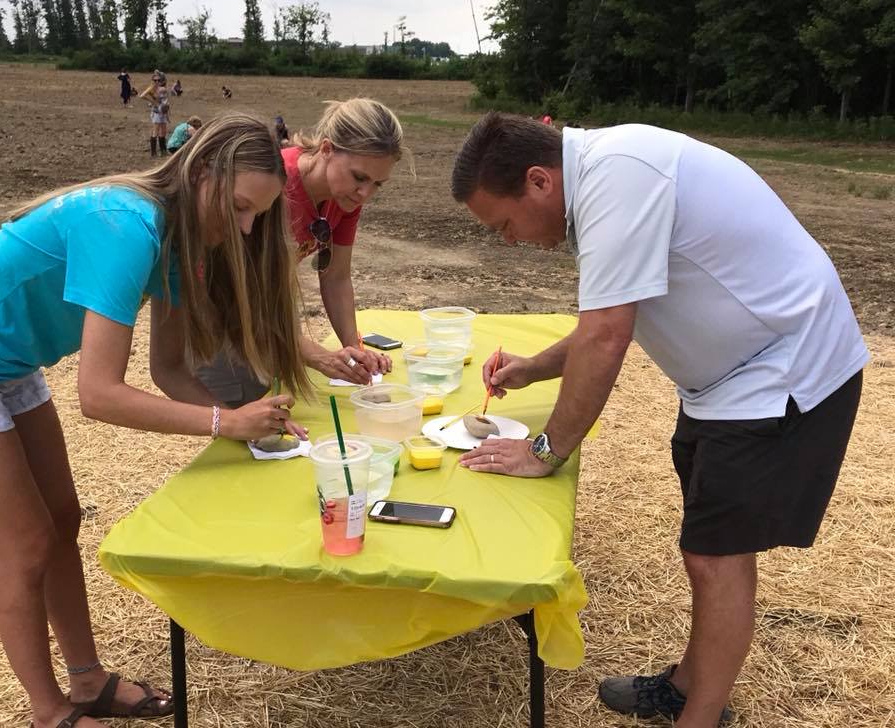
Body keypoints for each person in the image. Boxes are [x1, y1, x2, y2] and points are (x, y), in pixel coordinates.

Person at [451, 113, 867, 728]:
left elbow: (608, 334)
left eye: (504, 224)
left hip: (783, 372)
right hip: (726, 381)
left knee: (716, 556)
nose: (509, 240)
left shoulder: (619, 177)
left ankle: (698, 716)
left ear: (539, 181)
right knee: (708, 547)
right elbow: (613, 313)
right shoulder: (608, 175)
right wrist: (535, 368)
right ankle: (689, 686)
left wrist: (544, 451)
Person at [0, 114, 310, 728]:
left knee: (61, 522)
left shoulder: (179, 240)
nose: (244, 227)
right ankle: (49, 711)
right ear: (203, 171)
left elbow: (168, 371)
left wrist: (244, 426)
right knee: (27, 543)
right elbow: (100, 395)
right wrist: (225, 422)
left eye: (257, 217)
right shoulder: (126, 225)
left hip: (7, 362)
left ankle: (87, 683)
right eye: (241, 206)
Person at [196, 98, 404, 403]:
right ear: (327, 149)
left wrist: (354, 352)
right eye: (359, 177)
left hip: (266, 312)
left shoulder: (345, 197)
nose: (365, 193)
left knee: (273, 406)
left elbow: (335, 277)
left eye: (378, 184)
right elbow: (234, 292)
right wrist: (317, 356)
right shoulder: (275, 185)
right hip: (217, 313)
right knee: (240, 410)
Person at [139, 70, 171, 157]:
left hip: (163, 112)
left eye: (159, 80)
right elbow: (142, 96)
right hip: (156, 112)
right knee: (156, 131)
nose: (157, 82)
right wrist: (153, 102)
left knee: (163, 131)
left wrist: (167, 113)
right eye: (155, 80)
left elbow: (165, 101)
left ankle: (163, 151)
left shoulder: (163, 88)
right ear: (153, 81)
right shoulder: (152, 88)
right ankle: (153, 153)